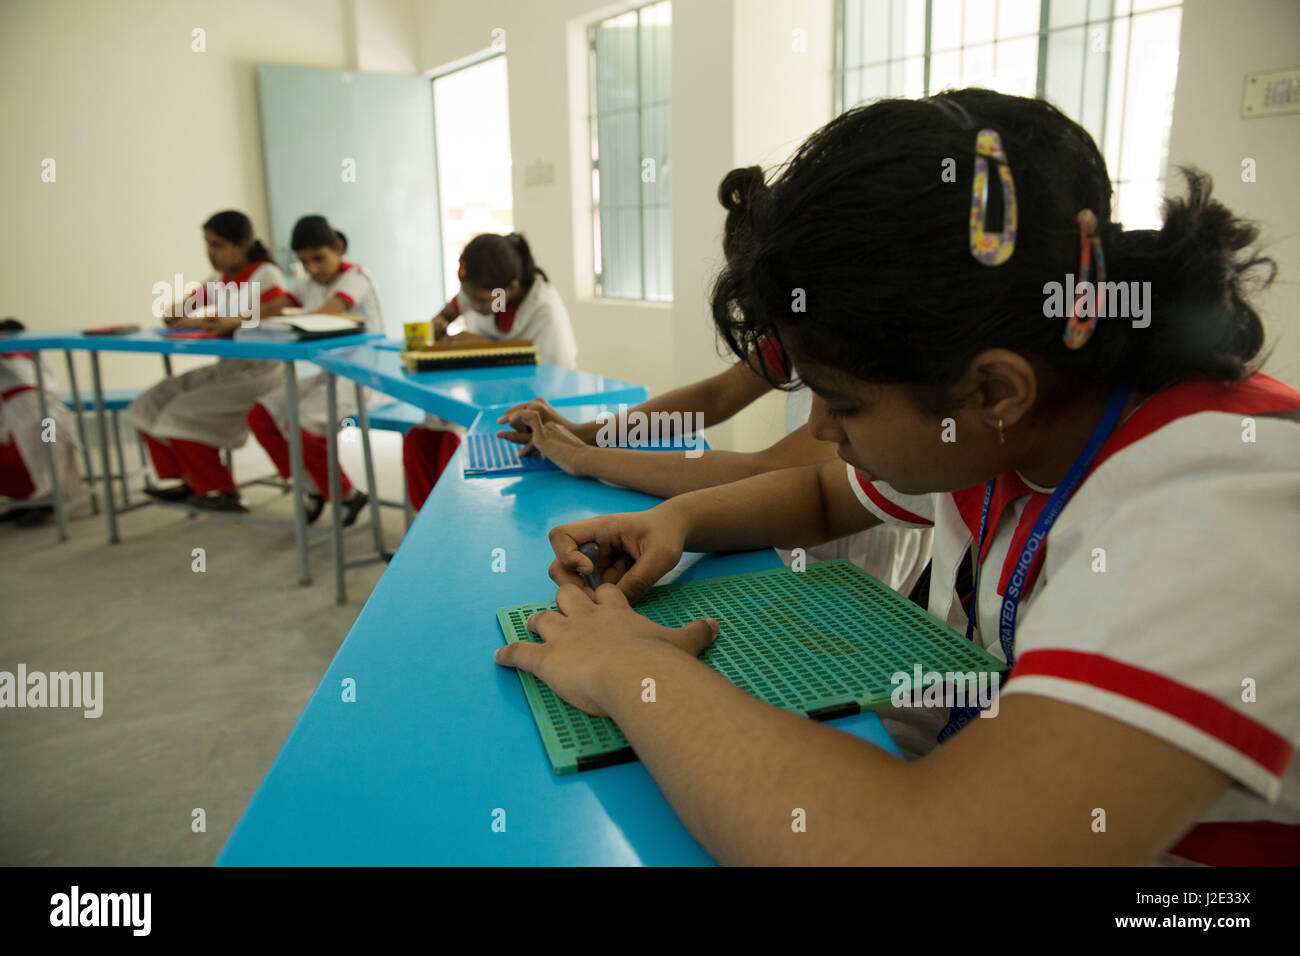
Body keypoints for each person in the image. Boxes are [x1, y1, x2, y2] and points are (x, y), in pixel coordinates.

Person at [495, 89, 1300, 865]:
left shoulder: (1219, 502)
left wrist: (632, 667)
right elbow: (816, 493)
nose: (815, 428)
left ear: (993, 389)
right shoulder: (1022, 424)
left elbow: (924, 852)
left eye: (841, 402)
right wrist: (679, 524)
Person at [402, 233, 577, 511]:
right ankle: (432, 519)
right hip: (477, 404)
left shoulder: (545, 312)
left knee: (453, 446)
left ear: (512, 287)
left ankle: (457, 519)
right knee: (418, 441)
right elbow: (455, 307)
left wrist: (482, 345)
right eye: (468, 296)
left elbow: (551, 386)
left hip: (522, 416)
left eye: (481, 300)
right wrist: (441, 321)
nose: (472, 306)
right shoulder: (486, 291)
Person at [127, 211, 287, 512]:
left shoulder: (266, 275)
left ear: (242, 244)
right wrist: (180, 313)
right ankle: (185, 479)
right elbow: (183, 310)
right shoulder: (217, 280)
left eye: (217, 245)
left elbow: (280, 313)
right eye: (207, 245)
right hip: (228, 369)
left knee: (180, 413)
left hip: (259, 373)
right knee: (148, 404)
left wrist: (233, 320)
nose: (210, 253)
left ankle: (220, 490)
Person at [250, 215, 383, 526]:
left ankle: (345, 494)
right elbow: (276, 306)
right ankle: (312, 488)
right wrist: (236, 319)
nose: (312, 269)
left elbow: (325, 316)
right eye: (303, 261)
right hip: (328, 374)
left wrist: (288, 317)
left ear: (338, 247)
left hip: (362, 376)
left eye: (319, 258)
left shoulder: (356, 278)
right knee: (261, 414)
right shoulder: (306, 283)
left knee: (302, 424)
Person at [0, 319, 82, 526]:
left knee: (43, 452)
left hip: (40, 415)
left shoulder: (29, 351)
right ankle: (24, 501)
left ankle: (47, 500)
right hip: (17, 416)